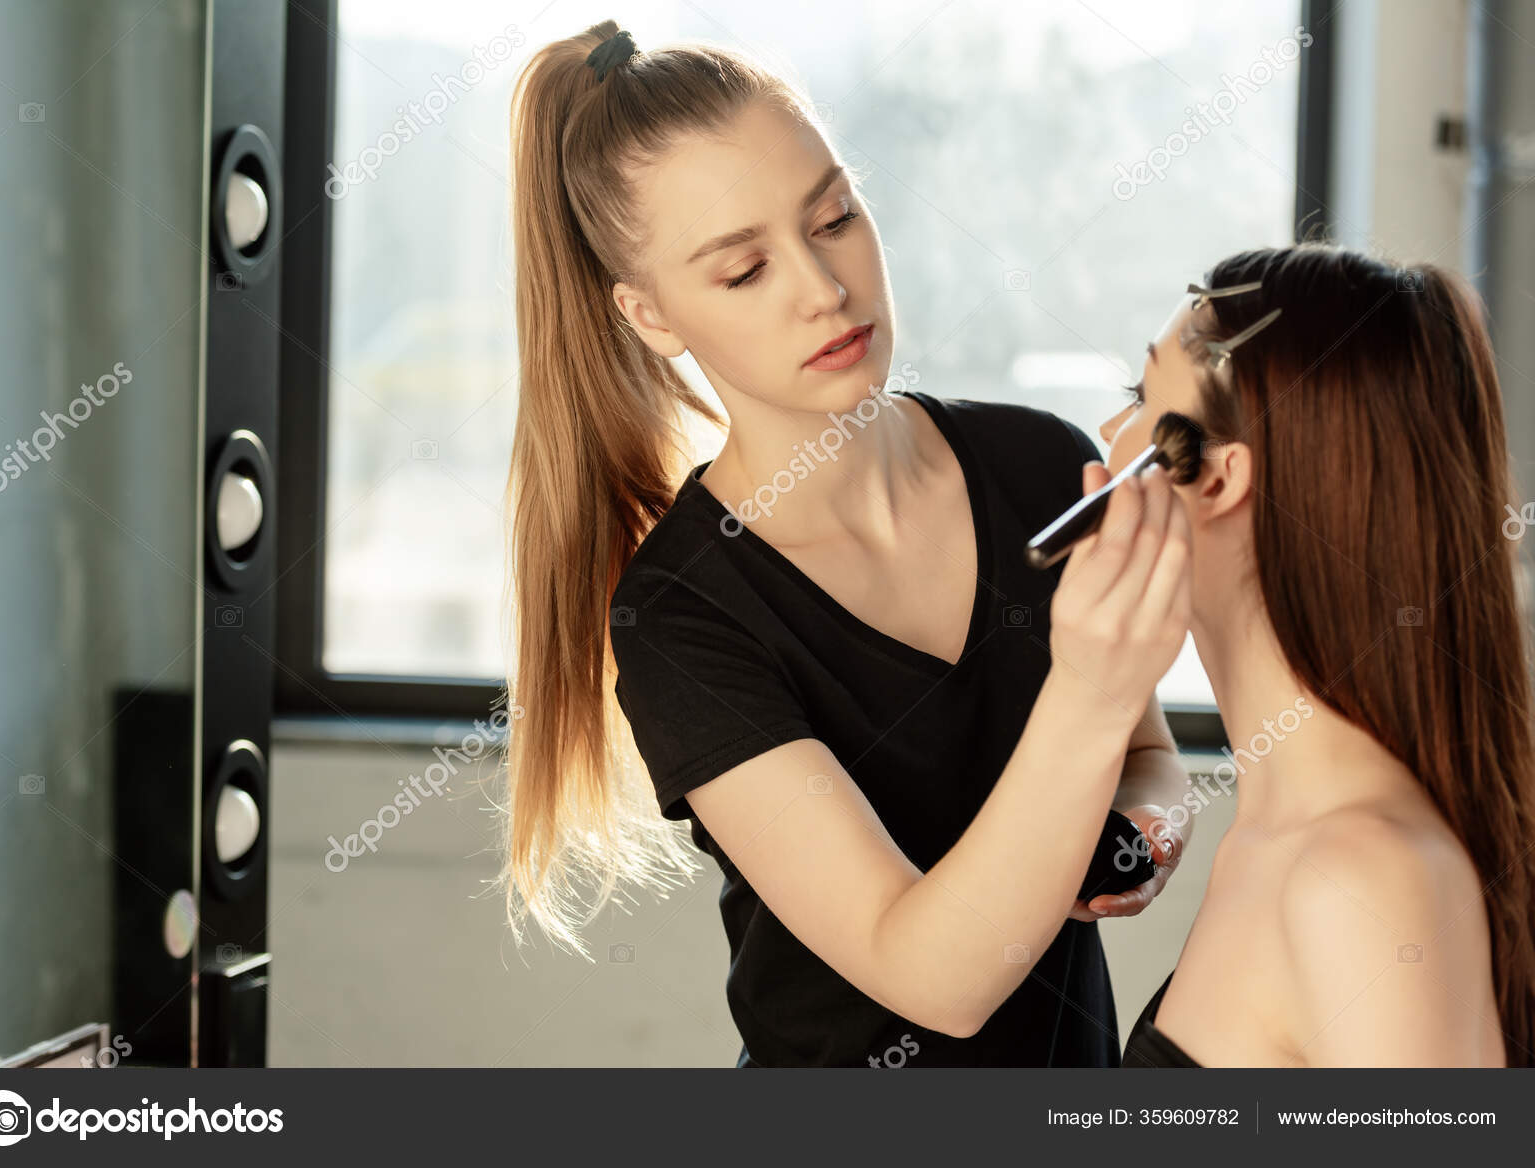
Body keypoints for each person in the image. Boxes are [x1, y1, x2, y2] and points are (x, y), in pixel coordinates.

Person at [499, 20, 1194, 1067]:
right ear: (650, 314)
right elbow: (931, 980)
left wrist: (1147, 834)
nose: (822, 288)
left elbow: (1148, 759)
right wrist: (1090, 689)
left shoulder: (1040, 465)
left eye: (833, 217)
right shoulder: (683, 613)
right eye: (743, 270)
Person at [1111, 244, 1535, 1068]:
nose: (1104, 432)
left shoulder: (1361, 882)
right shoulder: (1281, 835)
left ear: (1218, 479)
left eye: (1136, 397)